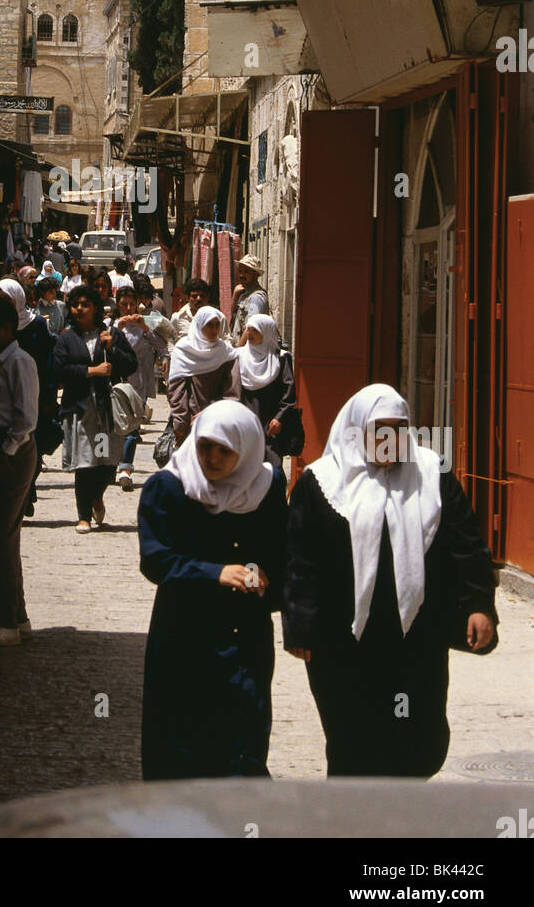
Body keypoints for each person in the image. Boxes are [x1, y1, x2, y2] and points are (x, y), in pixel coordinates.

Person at [283, 384, 498, 778]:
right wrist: (301, 627)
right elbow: (301, 559)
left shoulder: (431, 474)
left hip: (413, 640)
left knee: (417, 732)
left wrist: (479, 605)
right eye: (379, 429)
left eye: (399, 429)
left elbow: (466, 546)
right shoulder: (322, 482)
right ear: (357, 429)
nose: (390, 440)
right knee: (352, 737)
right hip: (342, 641)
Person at [138, 402, 287, 780]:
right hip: (184, 634)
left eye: (225, 450)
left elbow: (279, 553)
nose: (213, 458)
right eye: (206, 446)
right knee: (179, 741)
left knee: (243, 736)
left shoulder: (265, 488)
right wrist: (214, 573)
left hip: (244, 634)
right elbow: (156, 560)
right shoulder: (170, 487)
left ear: (247, 449)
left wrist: (259, 575)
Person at [0, 298, 39, 647]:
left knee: (0, 538)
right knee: (5, 537)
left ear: (7, 329)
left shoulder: (20, 362)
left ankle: (4, 622)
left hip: (10, 451)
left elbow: (27, 419)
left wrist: (5, 452)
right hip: (0, 447)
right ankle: (18, 616)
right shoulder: (1, 362)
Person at [53, 285, 138, 532]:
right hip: (80, 412)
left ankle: (97, 497)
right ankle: (83, 517)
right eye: (75, 304)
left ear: (95, 308)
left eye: (85, 304)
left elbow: (130, 365)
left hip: (103, 412)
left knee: (105, 462)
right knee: (84, 462)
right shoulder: (66, 338)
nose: (79, 309)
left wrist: (112, 349)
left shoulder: (110, 333)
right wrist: (90, 371)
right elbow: (58, 371)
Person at [0, 277, 57, 514]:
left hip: (35, 393)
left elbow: (48, 362)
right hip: (5, 394)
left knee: (33, 445)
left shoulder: (37, 325)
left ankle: (27, 489)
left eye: (8, 300)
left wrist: (49, 397)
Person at [110, 285, 169, 491]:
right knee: (110, 426)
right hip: (113, 385)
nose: (128, 308)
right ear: (117, 305)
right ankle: (107, 465)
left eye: (131, 304)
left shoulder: (143, 326)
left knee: (132, 428)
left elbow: (162, 344)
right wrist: (117, 327)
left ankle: (126, 467)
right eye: (124, 304)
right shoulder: (109, 324)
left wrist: (144, 327)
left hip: (137, 385)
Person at [168, 306, 240, 446]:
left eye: (217, 325)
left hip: (219, 420)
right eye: (209, 325)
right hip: (190, 422)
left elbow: (232, 391)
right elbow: (177, 390)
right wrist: (180, 423)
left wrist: (212, 413)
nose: (214, 330)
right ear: (199, 325)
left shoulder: (226, 353)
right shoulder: (183, 350)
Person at [237, 314, 298, 469]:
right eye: (248, 329)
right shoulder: (239, 357)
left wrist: (280, 418)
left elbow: (289, 393)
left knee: (273, 468)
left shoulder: (281, 358)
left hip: (270, 424)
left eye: (255, 330)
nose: (249, 333)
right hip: (246, 422)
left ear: (267, 332)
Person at [170, 278, 229, 343]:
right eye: (194, 296)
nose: (198, 299)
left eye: (202, 296)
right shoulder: (178, 318)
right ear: (187, 297)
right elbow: (171, 342)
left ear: (207, 297)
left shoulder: (219, 317)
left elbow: (226, 341)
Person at [230, 255, 270, 346]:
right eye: (240, 271)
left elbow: (252, 327)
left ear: (255, 275)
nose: (241, 275)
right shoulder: (244, 293)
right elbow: (232, 316)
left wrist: (238, 350)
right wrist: (235, 296)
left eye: (246, 272)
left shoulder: (256, 298)